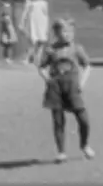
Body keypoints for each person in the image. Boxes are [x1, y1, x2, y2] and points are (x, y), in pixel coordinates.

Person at [37, 18, 95, 163]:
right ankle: (61, 151)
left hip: (73, 88)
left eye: (70, 31)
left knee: (83, 119)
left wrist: (82, 83)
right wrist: (47, 80)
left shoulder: (77, 49)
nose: (68, 34)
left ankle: (85, 145)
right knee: (58, 120)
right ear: (56, 33)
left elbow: (87, 66)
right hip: (56, 88)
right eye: (64, 31)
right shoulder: (51, 50)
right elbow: (41, 67)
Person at [19, 0, 49, 65]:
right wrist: (22, 23)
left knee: (41, 42)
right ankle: (28, 59)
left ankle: (37, 60)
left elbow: (45, 15)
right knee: (33, 43)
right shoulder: (30, 2)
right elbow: (25, 13)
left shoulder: (44, 3)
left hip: (41, 24)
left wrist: (46, 27)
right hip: (33, 25)